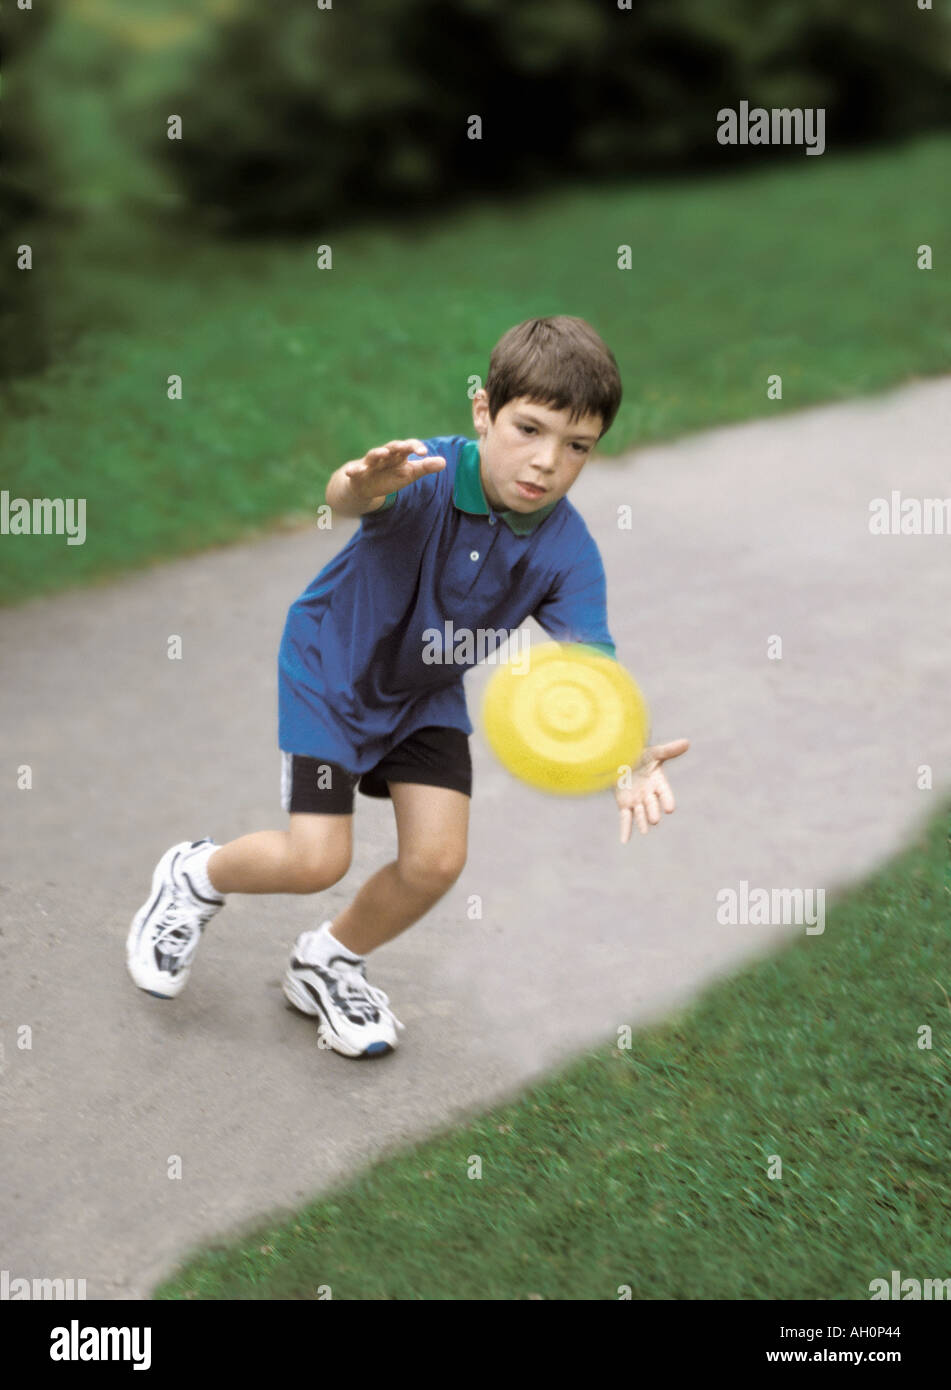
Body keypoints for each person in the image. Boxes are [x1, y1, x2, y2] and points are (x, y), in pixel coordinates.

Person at [126, 316, 689, 1057]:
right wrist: (360, 483)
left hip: (424, 693)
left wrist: (626, 752)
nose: (546, 462)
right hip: (332, 671)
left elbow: (593, 666)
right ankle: (192, 877)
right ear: (483, 411)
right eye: (528, 429)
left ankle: (326, 964)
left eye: (576, 445)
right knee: (314, 860)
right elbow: (348, 500)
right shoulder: (423, 474)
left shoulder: (567, 550)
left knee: (436, 861)